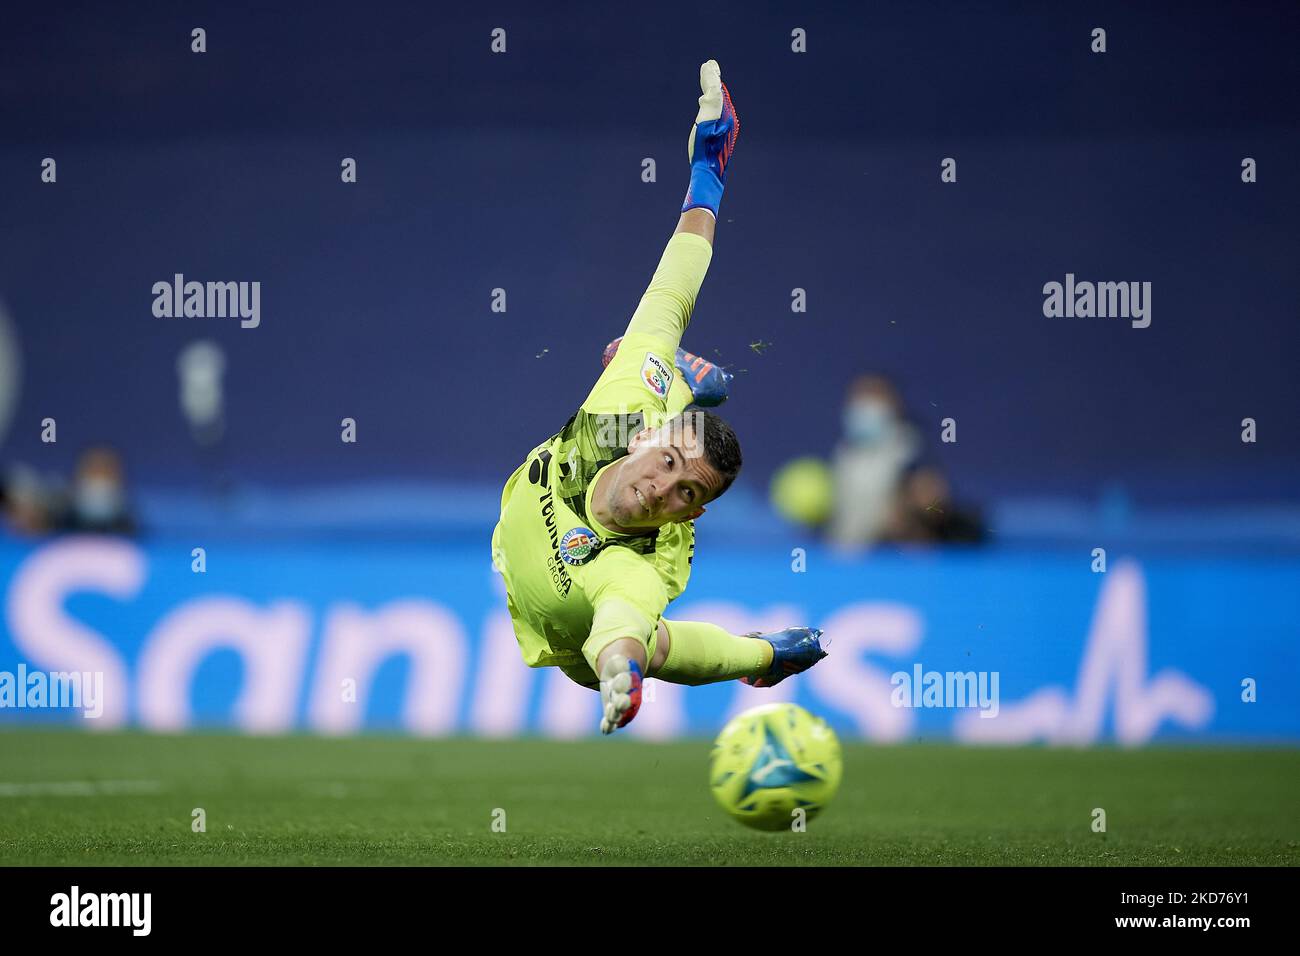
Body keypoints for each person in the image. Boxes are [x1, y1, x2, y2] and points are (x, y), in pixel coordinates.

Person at [490, 60, 827, 736]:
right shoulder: (624, 413)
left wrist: (622, 670)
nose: (664, 490)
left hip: (577, 639)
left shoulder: (643, 569)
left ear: (692, 515)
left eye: (689, 496)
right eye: (671, 463)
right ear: (651, 438)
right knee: (648, 339)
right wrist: (709, 167)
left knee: (650, 643)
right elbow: (676, 279)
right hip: (616, 437)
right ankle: (690, 381)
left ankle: (762, 657)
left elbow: (618, 621)